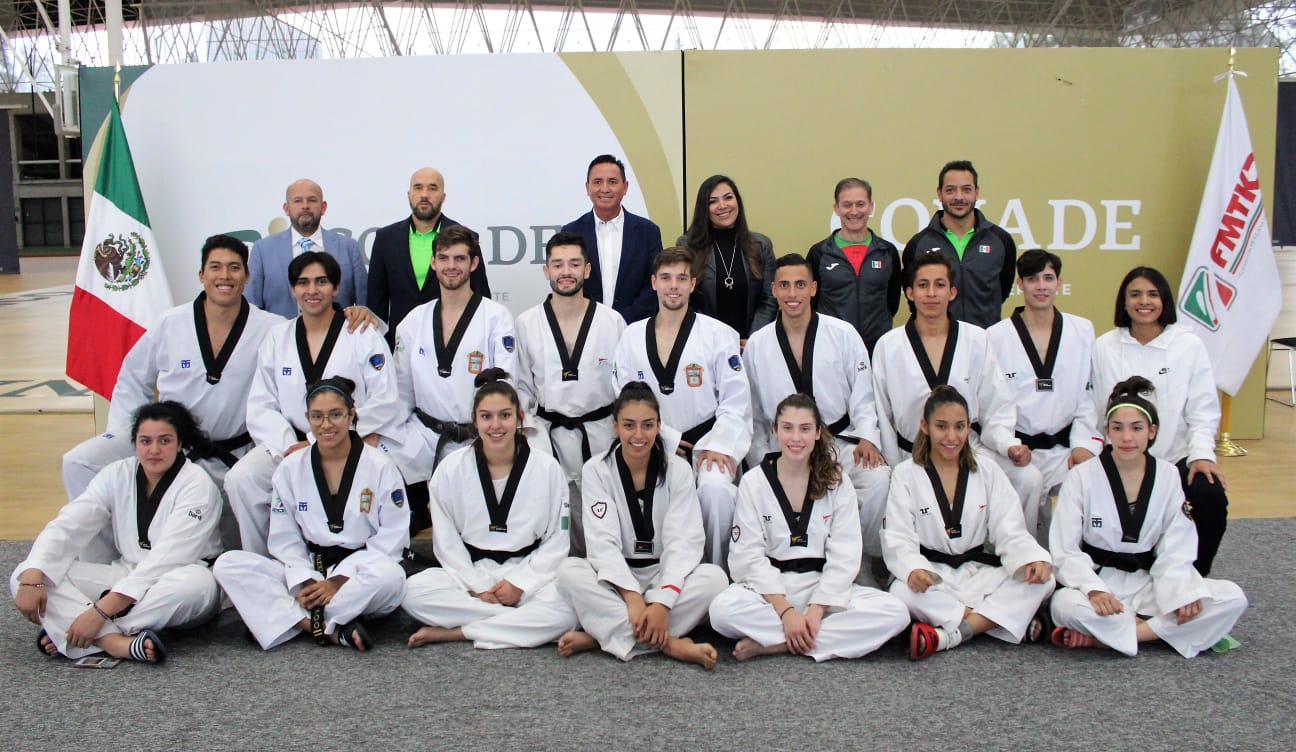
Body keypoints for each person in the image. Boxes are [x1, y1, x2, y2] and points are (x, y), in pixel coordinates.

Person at [62, 235, 284, 505]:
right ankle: (103, 548)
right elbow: (132, 378)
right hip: (172, 445)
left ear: (247, 276)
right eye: (215, 267)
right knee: (78, 462)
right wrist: (137, 437)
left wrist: (348, 316)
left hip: (236, 451)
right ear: (201, 275)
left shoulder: (271, 328)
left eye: (234, 267)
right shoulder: (170, 322)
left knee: (225, 529)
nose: (224, 276)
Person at [1048, 377, 1247, 657]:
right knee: (1064, 605)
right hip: (1096, 581)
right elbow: (1064, 549)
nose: (1127, 438)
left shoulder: (1167, 475)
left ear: (1152, 432)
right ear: (1106, 431)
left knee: (1232, 597)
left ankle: (1116, 636)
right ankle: (1161, 630)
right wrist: (1094, 590)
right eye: (1117, 428)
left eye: (1136, 428)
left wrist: (1181, 592)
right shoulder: (1082, 476)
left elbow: (1176, 545)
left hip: (1147, 582)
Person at [13, 401, 223, 663]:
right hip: (124, 573)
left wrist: (100, 612)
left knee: (193, 586)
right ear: (135, 443)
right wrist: (34, 575)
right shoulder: (116, 474)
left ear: (180, 443)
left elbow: (170, 557)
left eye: (165, 440)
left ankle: (75, 630)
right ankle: (115, 642)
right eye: (145, 441)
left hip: (179, 578)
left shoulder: (197, 484)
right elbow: (69, 524)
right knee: (25, 575)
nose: (154, 450)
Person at [226, 251, 405, 555]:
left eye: (321, 282)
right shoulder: (277, 337)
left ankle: (347, 559)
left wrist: (315, 440)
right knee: (241, 479)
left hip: (345, 440)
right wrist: (288, 446)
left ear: (336, 288)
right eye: (303, 283)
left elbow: (385, 399)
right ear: (293, 289)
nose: (312, 290)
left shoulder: (361, 332)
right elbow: (261, 403)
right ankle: (265, 562)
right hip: (290, 442)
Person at [214, 377, 410, 652]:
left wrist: (340, 581)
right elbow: (284, 539)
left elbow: (393, 538)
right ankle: (328, 628)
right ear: (307, 419)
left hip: (361, 570)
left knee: (391, 577)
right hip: (309, 565)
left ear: (352, 415)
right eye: (317, 416)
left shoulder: (380, 466)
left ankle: (292, 617)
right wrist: (306, 581)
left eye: (335, 415)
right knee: (228, 564)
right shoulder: (291, 467)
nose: (326, 424)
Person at [709, 394, 910, 662]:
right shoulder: (754, 482)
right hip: (772, 589)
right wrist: (786, 612)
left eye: (805, 429)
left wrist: (815, 611)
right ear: (775, 431)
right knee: (721, 611)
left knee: (896, 613)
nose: (796, 438)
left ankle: (777, 644)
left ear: (817, 433)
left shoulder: (836, 480)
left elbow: (845, 555)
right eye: (788, 428)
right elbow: (747, 556)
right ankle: (809, 636)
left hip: (821, 587)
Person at [555, 382, 727, 667]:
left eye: (647, 425)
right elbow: (601, 543)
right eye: (629, 425)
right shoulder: (596, 470)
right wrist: (633, 597)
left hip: (663, 571)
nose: (638, 435)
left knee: (715, 579)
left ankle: (603, 636)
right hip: (618, 581)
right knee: (568, 571)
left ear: (659, 426)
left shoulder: (678, 470)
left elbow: (684, 542)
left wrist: (662, 601)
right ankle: (669, 643)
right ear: (614, 426)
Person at [402, 370, 577, 650]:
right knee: (412, 592)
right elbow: (446, 543)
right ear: (475, 420)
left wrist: (521, 583)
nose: (496, 425)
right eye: (486, 416)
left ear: (520, 418)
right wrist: (479, 586)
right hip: (472, 571)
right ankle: (520, 624)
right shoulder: (450, 469)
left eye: (504, 415)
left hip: (527, 571)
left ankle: (459, 632)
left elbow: (557, 541)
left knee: (567, 605)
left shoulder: (548, 469)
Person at [743, 254, 889, 583]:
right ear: (774, 290)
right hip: (784, 447)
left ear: (813, 288)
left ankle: (859, 556)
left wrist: (868, 437)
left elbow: (863, 395)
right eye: (784, 285)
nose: (792, 293)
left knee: (879, 479)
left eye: (799, 284)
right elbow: (751, 413)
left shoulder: (843, 334)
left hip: (838, 440)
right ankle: (800, 564)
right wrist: (760, 458)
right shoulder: (758, 344)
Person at [872, 252, 1044, 527]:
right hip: (912, 452)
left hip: (967, 448)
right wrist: (894, 467)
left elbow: (996, 405)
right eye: (923, 285)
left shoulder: (975, 338)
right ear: (910, 293)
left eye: (940, 285)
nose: (931, 293)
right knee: (882, 486)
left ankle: (1017, 555)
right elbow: (882, 413)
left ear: (952, 292)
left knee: (1028, 478)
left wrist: (1007, 444)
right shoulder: (889, 345)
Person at [881, 386, 1054, 660]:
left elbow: (1010, 530)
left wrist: (1031, 559)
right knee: (901, 592)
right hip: (933, 574)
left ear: (969, 426)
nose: (952, 437)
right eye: (942, 426)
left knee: (1044, 580)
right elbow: (899, 537)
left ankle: (953, 632)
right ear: (925, 426)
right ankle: (992, 621)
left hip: (978, 572)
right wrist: (913, 569)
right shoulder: (905, 474)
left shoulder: (987, 469)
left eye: (960, 427)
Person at [612, 246, 753, 566]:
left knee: (716, 491)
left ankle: (719, 573)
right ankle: (662, 574)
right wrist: (662, 440)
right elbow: (623, 398)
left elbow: (736, 400)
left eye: (681, 278)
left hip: (707, 443)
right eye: (666, 278)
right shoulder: (632, 336)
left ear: (693, 284)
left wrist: (721, 445)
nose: (673, 285)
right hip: (653, 444)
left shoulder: (719, 334)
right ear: (653, 282)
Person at [1091, 267, 1229, 575]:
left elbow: (1203, 409)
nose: (1144, 301)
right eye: (1135, 294)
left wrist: (1202, 456)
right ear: (1123, 302)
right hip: (1121, 457)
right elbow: (1094, 407)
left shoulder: (1188, 345)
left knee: (1211, 496)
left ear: (1165, 300)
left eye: (1153, 294)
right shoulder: (1105, 346)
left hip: (1173, 456)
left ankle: (1196, 574)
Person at [391, 225, 521, 531]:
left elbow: (505, 385)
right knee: (377, 459)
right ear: (433, 262)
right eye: (444, 258)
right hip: (424, 435)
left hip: (479, 435)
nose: (452, 266)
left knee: (478, 520)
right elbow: (400, 392)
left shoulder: (496, 317)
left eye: (460, 258)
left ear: (473, 264)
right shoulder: (413, 322)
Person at [514, 231, 626, 556]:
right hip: (546, 437)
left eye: (574, 264)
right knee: (554, 522)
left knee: (604, 520)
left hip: (600, 435)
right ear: (546, 270)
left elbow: (625, 387)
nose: (566, 271)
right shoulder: (525, 324)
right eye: (558, 264)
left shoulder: (612, 322)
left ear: (587, 270)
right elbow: (519, 385)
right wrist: (523, 432)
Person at [986, 249, 1102, 543]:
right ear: (1019, 284)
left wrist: (1083, 444)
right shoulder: (996, 336)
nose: (1041, 286)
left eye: (1048, 278)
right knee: (1025, 525)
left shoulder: (1082, 330)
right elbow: (991, 404)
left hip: (1067, 448)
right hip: (1020, 449)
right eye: (1032, 279)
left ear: (1059, 282)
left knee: (1083, 510)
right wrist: (1009, 445)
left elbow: (1091, 395)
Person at [367, 167, 492, 347]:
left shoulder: (467, 237)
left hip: (455, 344)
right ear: (409, 194)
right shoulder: (385, 239)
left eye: (432, 188)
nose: (424, 194)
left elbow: (482, 297)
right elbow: (376, 303)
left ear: (443, 196)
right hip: (400, 345)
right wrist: (381, 347)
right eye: (418, 188)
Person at [902, 160, 1016, 328]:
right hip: (937, 341)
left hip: (985, 340)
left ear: (976, 193)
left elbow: (1002, 291)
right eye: (950, 190)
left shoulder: (1001, 240)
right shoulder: (919, 244)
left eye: (966, 189)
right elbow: (912, 297)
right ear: (939, 193)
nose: (959, 197)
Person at [247, 178, 369, 319]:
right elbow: (252, 306)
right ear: (286, 208)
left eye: (312, 200)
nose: (305, 206)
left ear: (323, 207)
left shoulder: (348, 247)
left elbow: (364, 304)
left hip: (338, 336)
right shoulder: (263, 249)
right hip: (279, 338)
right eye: (298, 201)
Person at [561, 154, 663, 322]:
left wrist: (621, 322)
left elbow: (654, 284)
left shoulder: (648, 231)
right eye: (597, 182)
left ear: (625, 187)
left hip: (635, 329)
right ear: (587, 188)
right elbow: (568, 282)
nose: (605, 189)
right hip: (584, 329)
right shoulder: (571, 232)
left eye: (613, 182)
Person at [806, 178, 902, 353]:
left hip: (877, 348)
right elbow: (812, 302)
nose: (854, 211)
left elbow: (891, 302)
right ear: (836, 208)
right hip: (832, 348)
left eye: (860, 204)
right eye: (847, 205)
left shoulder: (887, 252)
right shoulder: (819, 253)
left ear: (871, 207)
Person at [675, 174, 776, 340]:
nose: (722, 206)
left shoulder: (761, 245)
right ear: (703, 208)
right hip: (706, 343)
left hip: (750, 345)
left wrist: (753, 339)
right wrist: (717, 339)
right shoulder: (687, 246)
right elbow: (686, 300)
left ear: (738, 201)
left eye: (728, 197)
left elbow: (769, 300)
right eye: (712, 201)